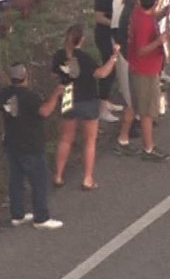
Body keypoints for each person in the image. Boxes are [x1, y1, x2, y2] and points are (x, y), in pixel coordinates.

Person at [51, 24, 121, 190]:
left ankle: (58, 175)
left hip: (68, 97)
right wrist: (114, 58)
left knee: (66, 138)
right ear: (82, 39)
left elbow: (54, 74)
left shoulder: (59, 55)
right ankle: (87, 178)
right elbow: (101, 73)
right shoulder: (85, 58)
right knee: (90, 141)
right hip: (88, 99)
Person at [0, 63, 65, 230]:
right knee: (39, 180)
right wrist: (55, 95)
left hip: (12, 143)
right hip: (30, 145)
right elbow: (45, 111)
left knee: (16, 179)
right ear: (26, 77)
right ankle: (41, 217)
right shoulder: (30, 97)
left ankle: (17, 214)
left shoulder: (4, 94)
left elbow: (5, 113)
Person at [115, 0, 170, 162]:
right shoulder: (145, 23)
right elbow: (141, 50)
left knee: (133, 104)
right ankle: (149, 149)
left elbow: (151, 16)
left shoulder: (138, 13)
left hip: (136, 68)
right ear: (155, 2)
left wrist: (162, 14)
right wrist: (159, 41)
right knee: (146, 113)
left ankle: (122, 140)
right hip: (145, 72)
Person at [93, 0, 132, 123]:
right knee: (109, 69)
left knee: (113, 69)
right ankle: (102, 106)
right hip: (104, 35)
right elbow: (98, 17)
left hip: (113, 33)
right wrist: (116, 23)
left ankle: (106, 101)